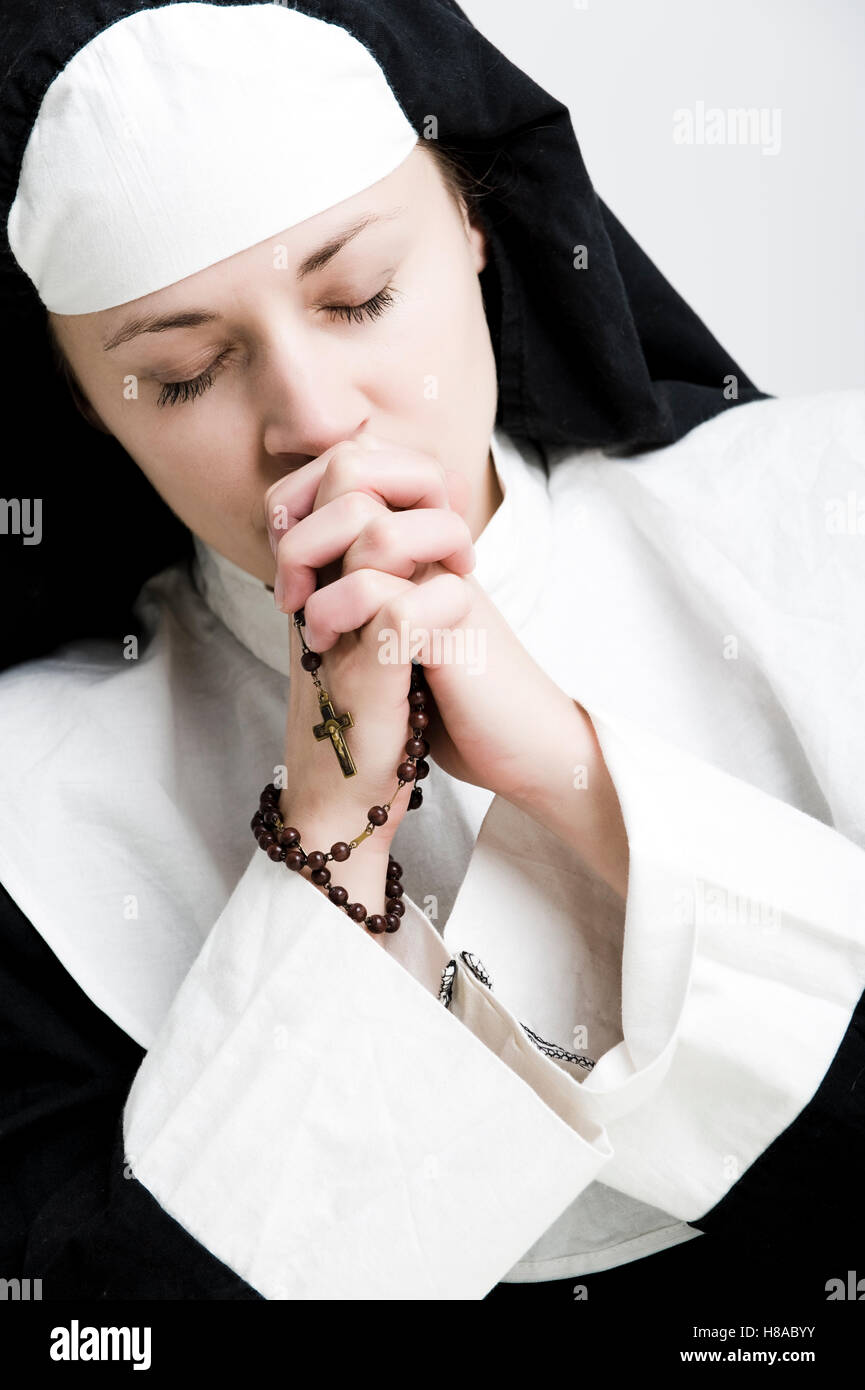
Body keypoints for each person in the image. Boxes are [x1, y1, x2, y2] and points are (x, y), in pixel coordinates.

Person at [0, 0, 862, 1305]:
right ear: (84, 403)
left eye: (358, 295)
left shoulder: (819, 515)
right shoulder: (29, 811)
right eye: (180, 374)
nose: (310, 415)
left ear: (470, 223)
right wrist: (330, 830)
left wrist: (577, 776)